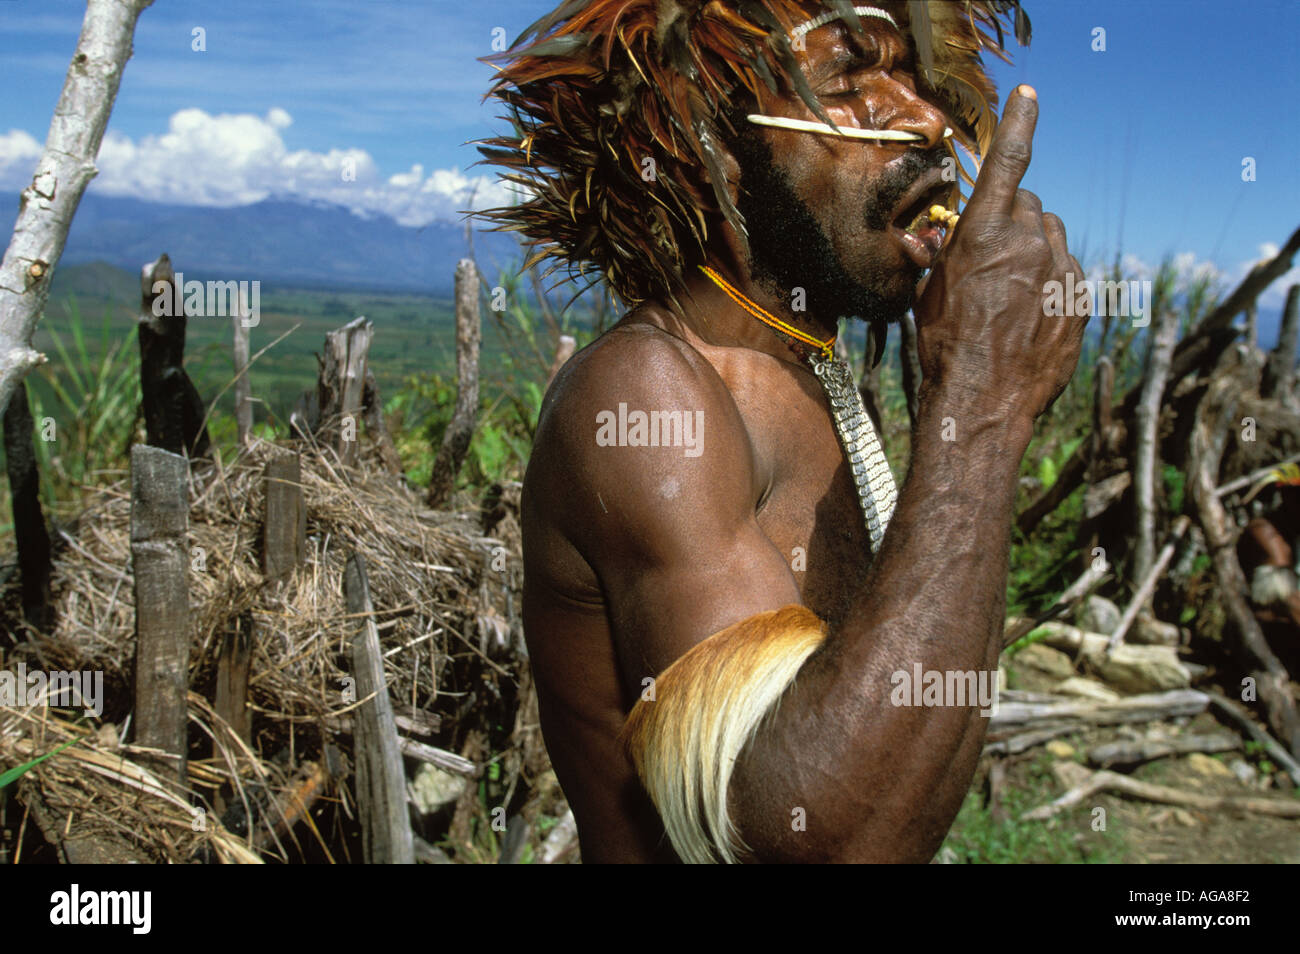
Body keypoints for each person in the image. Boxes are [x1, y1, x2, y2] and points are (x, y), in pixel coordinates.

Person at [477, 0, 1086, 862]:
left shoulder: (810, 372)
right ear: (709, 155)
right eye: (851, 85)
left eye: (912, 80)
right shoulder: (653, 397)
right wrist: (984, 404)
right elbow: (803, 840)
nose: (926, 120)